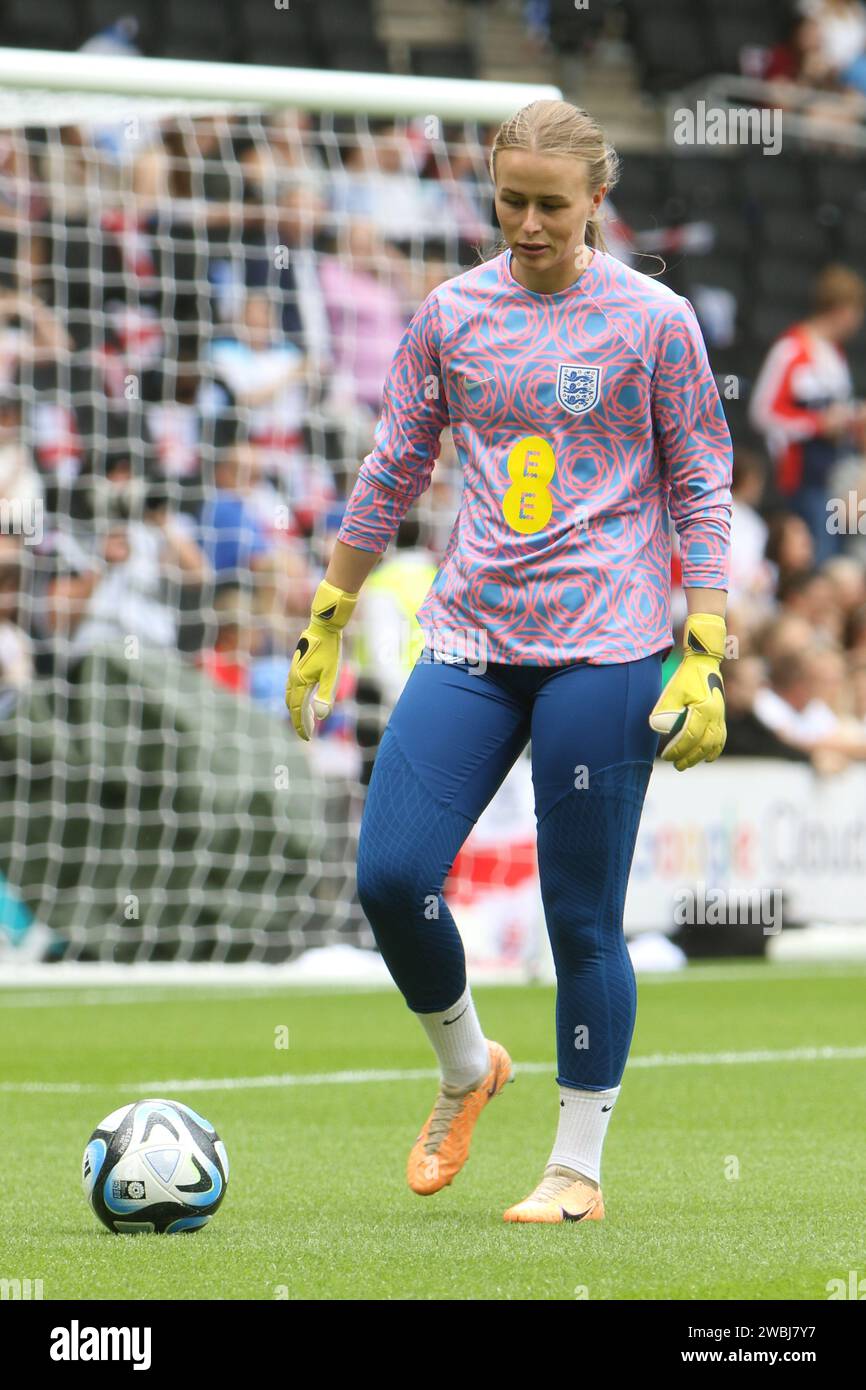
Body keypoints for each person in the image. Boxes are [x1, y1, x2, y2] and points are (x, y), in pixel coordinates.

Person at [285, 99, 732, 1224]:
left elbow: (699, 482)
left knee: (579, 918)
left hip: (609, 646)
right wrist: (331, 607)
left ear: (595, 200)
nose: (528, 222)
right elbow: (392, 466)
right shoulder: (449, 314)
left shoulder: (653, 320)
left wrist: (706, 643)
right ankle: (465, 1064)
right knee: (389, 877)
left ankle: (574, 1165)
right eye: (510, 201)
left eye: (550, 203)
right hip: (473, 637)